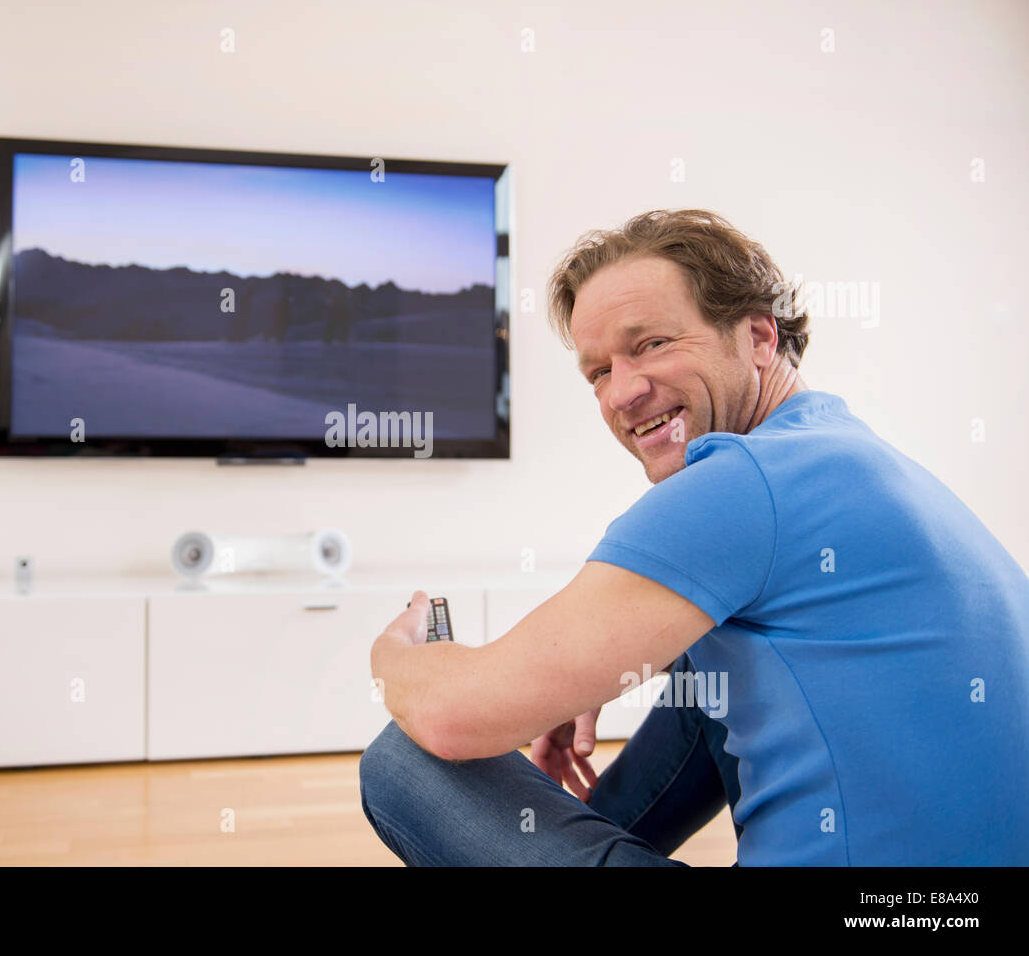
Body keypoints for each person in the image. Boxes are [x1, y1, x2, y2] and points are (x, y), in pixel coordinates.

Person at [359, 209, 1029, 866]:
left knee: (403, 757)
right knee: (705, 675)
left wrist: (396, 654)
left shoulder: (742, 482)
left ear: (760, 336)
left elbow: (452, 715)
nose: (621, 392)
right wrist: (581, 672)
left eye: (651, 343)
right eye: (598, 371)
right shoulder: (841, 453)